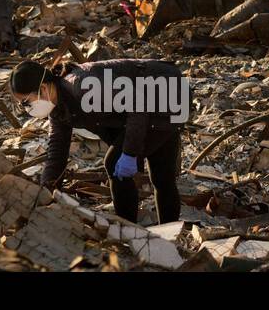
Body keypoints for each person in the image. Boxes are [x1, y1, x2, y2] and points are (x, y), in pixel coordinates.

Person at [10, 58, 188, 225]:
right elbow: (57, 151)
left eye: (26, 102)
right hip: (149, 101)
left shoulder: (83, 88)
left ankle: (129, 231)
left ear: (43, 88)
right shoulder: (58, 109)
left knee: (116, 163)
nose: (27, 109)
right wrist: (45, 192)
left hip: (166, 93)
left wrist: (130, 152)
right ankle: (168, 231)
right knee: (162, 174)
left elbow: (138, 103)